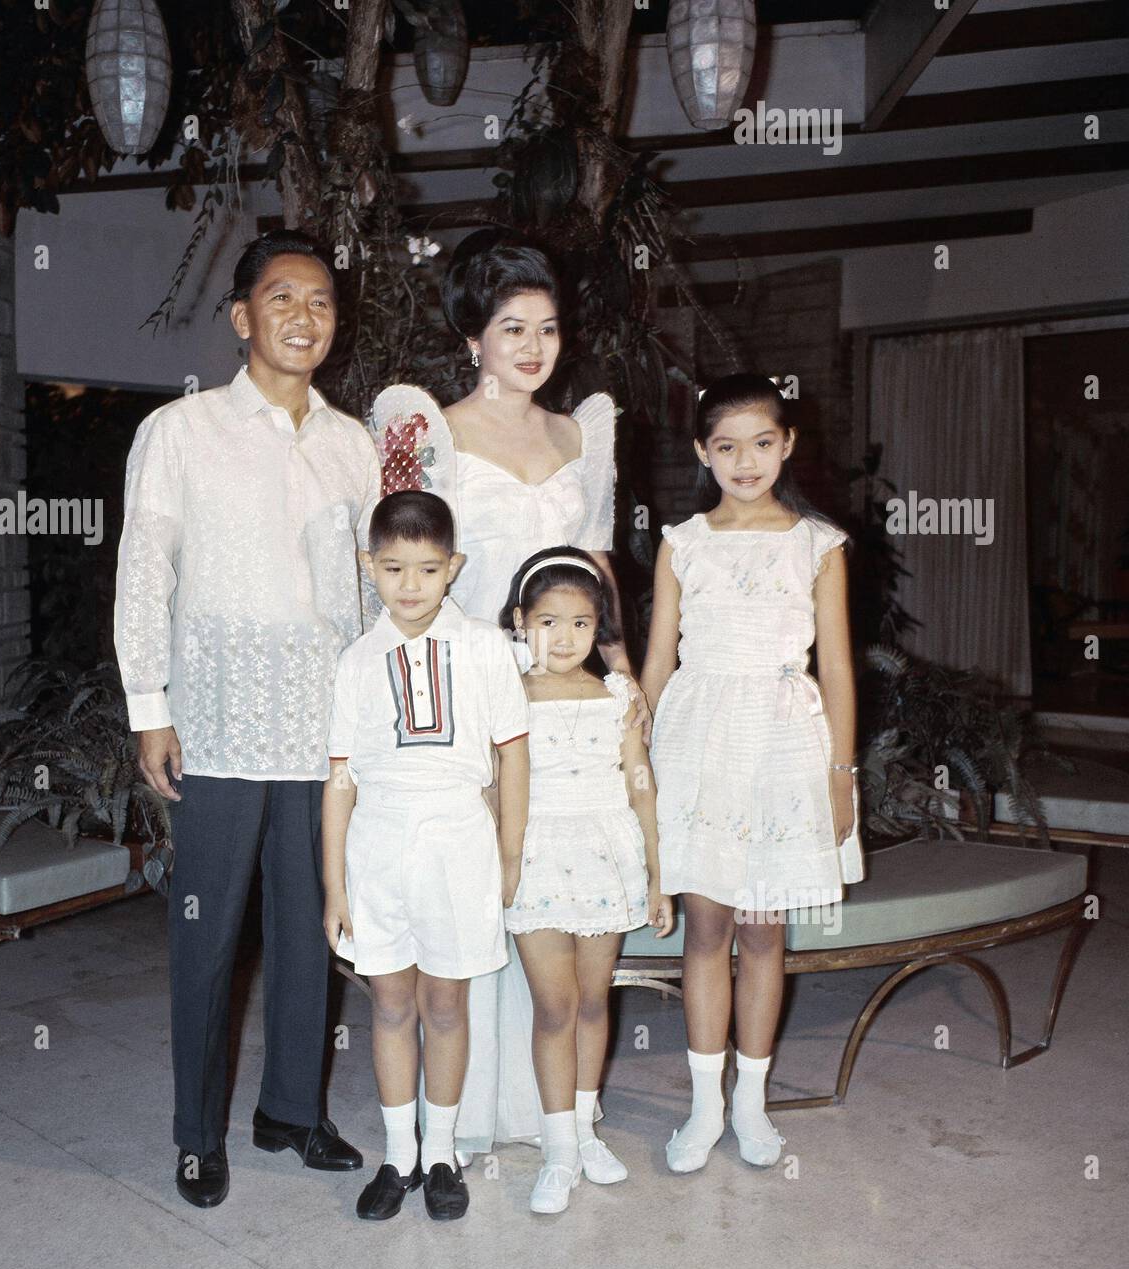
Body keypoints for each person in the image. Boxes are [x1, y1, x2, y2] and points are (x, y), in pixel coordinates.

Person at [367, 233, 648, 1161]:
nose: (533, 346)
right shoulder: (429, 432)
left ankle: (564, 1118)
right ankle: (469, 1114)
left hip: (562, 695)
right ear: (473, 336)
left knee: (558, 873)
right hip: (468, 692)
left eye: (549, 327)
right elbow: (401, 572)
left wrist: (622, 671)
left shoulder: (580, 433)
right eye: (511, 326)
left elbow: (595, 569)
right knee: (486, 881)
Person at [114, 229, 375, 1208]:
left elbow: (370, 590)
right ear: (241, 317)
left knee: (311, 926)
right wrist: (151, 705)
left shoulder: (353, 446)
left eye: (320, 301)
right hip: (217, 722)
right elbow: (146, 572)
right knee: (205, 932)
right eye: (282, 298)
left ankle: (292, 1111)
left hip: (323, 726)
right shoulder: (179, 432)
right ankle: (196, 1133)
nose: (303, 316)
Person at [640, 373, 864, 1174]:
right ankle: (702, 1108)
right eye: (726, 446)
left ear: (788, 445)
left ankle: (752, 1104)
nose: (746, 461)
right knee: (707, 926)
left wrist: (841, 771)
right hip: (698, 743)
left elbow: (837, 668)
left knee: (765, 929)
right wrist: (634, 763)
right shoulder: (682, 542)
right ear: (703, 453)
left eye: (762, 443)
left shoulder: (818, 544)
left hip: (784, 747)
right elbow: (658, 664)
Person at [321, 490, 530, 1221]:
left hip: (459, 843)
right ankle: (397, 1155)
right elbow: (340, 779)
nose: (410, 586)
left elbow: (512, 756)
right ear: (367, 567)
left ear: (455, 568)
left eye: (428, 569)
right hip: (378, 847)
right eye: (393, 568)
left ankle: (441, 1153)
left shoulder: (484, 648)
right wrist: (334, 884)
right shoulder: (356, 660)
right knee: (388, 1004)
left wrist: (508, 855)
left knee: (445, 1003)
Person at [500, 547, 674, 1213]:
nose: (565, 637)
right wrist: (502, 861)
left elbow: (641, 784)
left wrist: (660, 874)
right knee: (555, 1007)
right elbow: (495, 788)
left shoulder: (617, 695)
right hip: (538, 854)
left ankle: (584, 1126)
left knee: (594, 1001)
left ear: (598, 625)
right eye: (549, 621)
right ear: (522, 621)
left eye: (580, 622)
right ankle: (558, 1149)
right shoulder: (508, 695)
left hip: (607, 853)